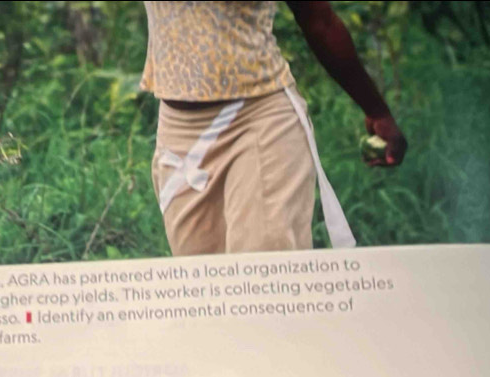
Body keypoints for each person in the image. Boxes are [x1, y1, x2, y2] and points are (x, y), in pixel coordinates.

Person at [140, 1, 407, 256]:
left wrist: (376, 110)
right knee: (202, 286)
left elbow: (319, 19)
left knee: (264, 279)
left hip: (258, 118)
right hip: (179, 132)